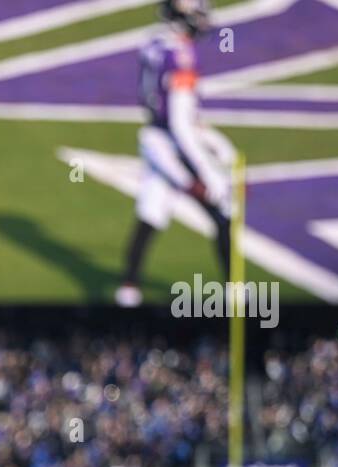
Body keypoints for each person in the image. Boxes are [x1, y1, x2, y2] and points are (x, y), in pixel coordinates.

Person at [116, 0, 236, 306]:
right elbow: (181, 124)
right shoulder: (180, 54)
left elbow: (173, 110)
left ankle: (128, 288)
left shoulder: (155, 41)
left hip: (154, 136)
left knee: (151, 214)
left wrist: (213, 139)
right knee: (221, 210)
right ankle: (233, 287)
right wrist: (208, 171)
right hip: (172, 143)